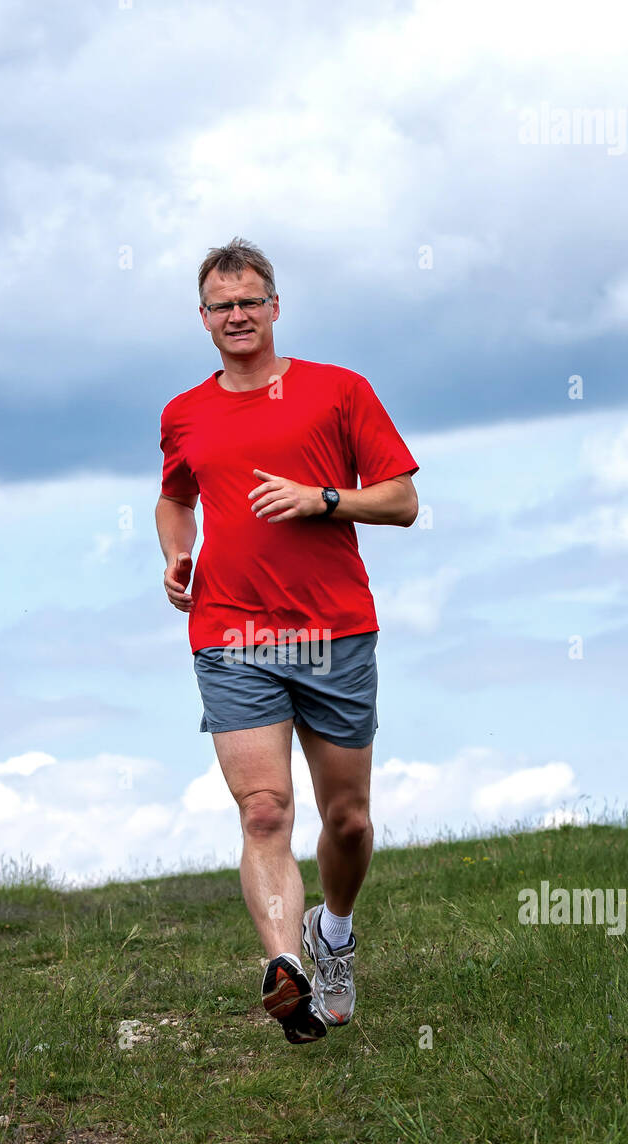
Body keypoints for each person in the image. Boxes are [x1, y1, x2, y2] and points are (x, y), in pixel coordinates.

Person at [155, 237, 418, 1044]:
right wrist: (176, 553)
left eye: (250, 301)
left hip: (334, 630)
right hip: (230, 632)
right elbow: (174, 499)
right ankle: (286, 969)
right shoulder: (185, 414)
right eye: (221, 305)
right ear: (202, 320)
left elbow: (402, 500)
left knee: (348, 821)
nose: (237, 315)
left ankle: (331, 935)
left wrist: (323, 498)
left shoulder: (339, 391)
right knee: (264, 811)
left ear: (275, 307)